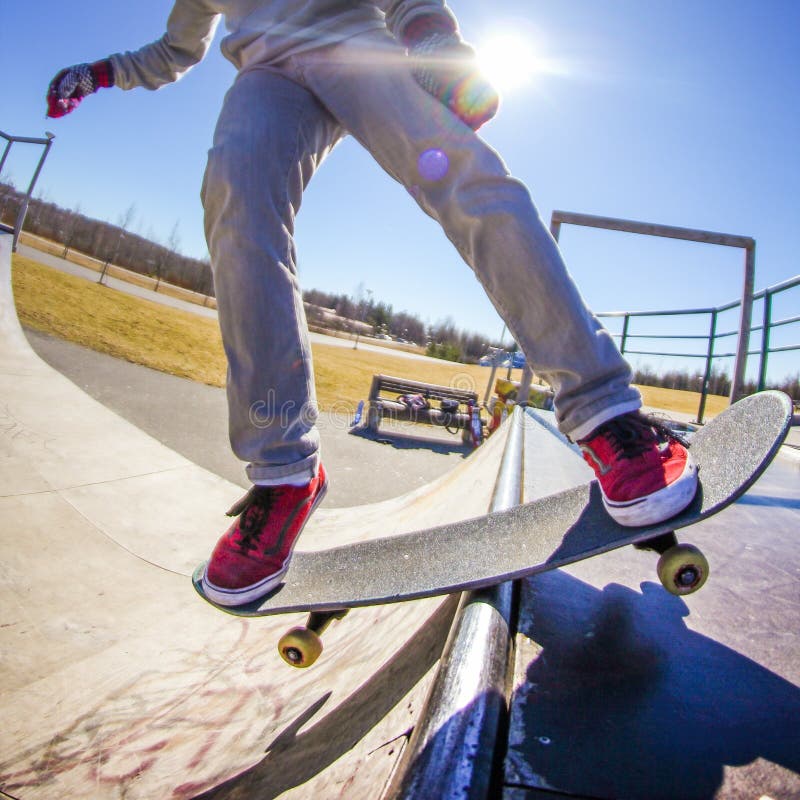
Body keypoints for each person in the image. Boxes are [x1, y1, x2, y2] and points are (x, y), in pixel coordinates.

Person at [47, 1, 698, 607]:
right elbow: (173, 51)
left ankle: (604, 412)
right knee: (235, 205)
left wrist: (431, 37)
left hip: (354, 41)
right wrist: (100, 72)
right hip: (266, 78)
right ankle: (284, 473)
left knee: (465, 178)